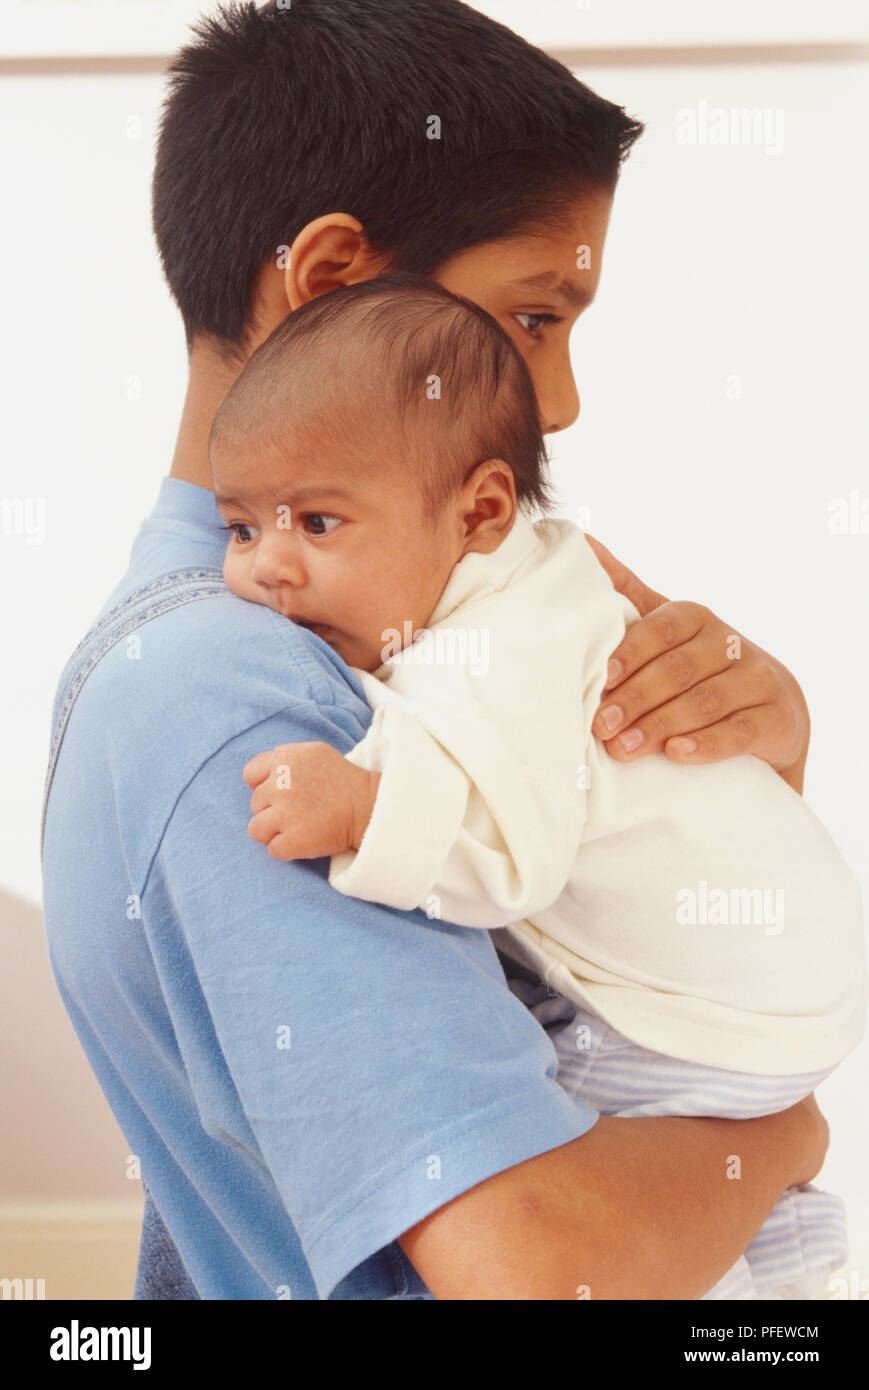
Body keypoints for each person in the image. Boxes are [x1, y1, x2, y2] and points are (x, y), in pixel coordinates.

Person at [42, 0, 827, 1300]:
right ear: (333, 280)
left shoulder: (285, 641)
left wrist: (725, 783)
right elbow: (526, 1267)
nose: (559, 400)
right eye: (533, 318)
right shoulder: (239, 692)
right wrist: (778, 1130)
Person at [216, 272, 866, 1299]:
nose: (267, 571)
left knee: (552, 1155)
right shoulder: (532, 576)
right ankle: (790, 1253)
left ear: (476, 508)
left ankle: (750, 1266)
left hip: (717, 1016)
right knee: (704, 1144)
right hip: (786, 972)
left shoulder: (490, 652)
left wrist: (363, 806)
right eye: (243, 528)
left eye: (319, 525)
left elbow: (512, 858)